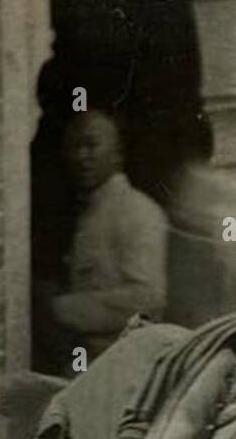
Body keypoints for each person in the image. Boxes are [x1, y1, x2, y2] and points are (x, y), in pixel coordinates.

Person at [36, 110, 169, 373]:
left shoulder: (136, 210)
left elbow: (147, 300)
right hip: (85, 365)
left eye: (91, 145)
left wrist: (60, 309)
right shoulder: (87, 214)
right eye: (75, 147)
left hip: (123, 368)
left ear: (118, 154)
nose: (82, 156)